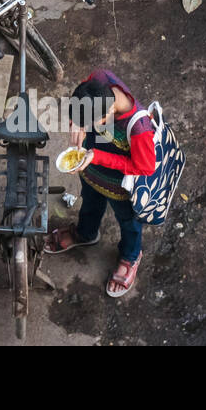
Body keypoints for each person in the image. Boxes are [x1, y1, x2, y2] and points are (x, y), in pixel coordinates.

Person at [44, 69, 157, 298]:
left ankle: (130, 256)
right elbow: (82, 93)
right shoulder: (101, 80)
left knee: (128, 222)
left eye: (93, 122)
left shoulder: (139, 128)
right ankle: (86, 234)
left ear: (108, 114)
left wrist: (97, 157)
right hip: (91, 173)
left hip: (120, 189)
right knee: (90, 202)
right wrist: (76, 122)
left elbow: (144, 167)